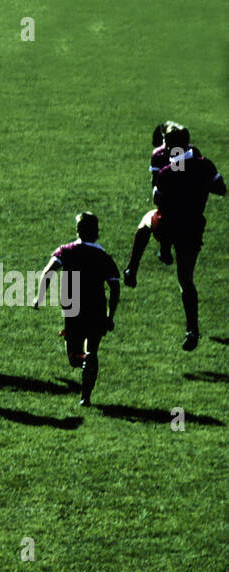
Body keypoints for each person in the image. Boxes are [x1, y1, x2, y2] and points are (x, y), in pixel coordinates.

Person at [123, 125, 224, 350]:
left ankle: (132, 268)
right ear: (188, 143)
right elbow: (221, 188)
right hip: (192, 229)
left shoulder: (166, 173)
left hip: (167, 226)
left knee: (145, 222)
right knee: (185, 281)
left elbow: (158, 200)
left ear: (167, 146)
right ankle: (192, 330)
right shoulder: (204, 165)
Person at [32, 212, 120, 406]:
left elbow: (48, 272)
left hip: (73, 309)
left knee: (73, 357)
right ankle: (86, 393)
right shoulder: (103, 256)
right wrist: (110, 315)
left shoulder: (66, 250)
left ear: (78, 230)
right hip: (97, 308)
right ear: (97, 232)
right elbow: (115, 286)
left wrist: (38, 298)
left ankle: (86, 371)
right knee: (92, 351)